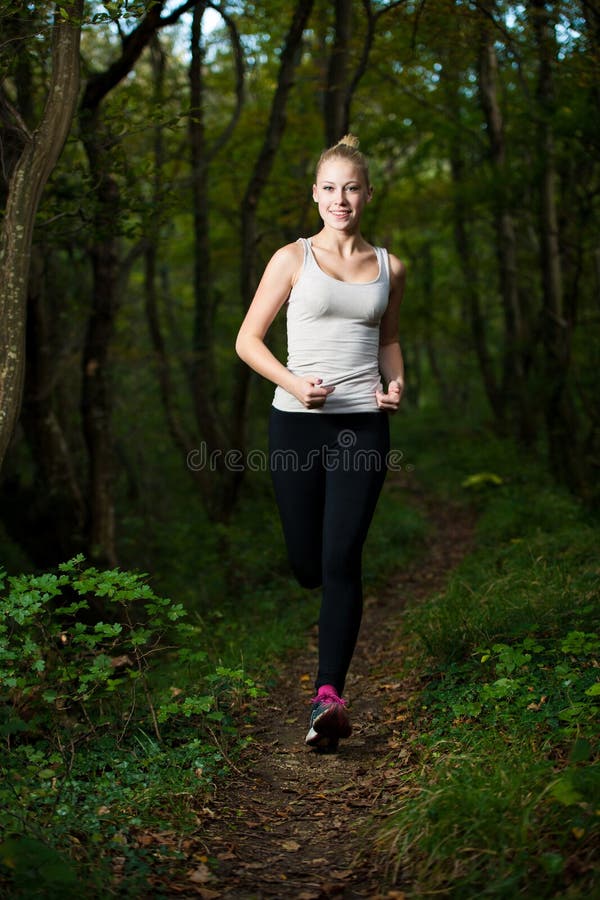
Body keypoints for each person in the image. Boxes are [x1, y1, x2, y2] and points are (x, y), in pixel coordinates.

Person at [235, 134, 405, 751]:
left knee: (341, 559)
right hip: (296, 422)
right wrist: (291, 382)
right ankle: (315, 588)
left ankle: (328, 695)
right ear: (315, 195)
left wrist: (397, 381)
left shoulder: (390, 267)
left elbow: (388, 339)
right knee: (307, 562)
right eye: (330, 188)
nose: (341, 199)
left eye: (351, 187)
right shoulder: (290, 259)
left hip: (364, 424)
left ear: (366, 194)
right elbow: (247, 340)